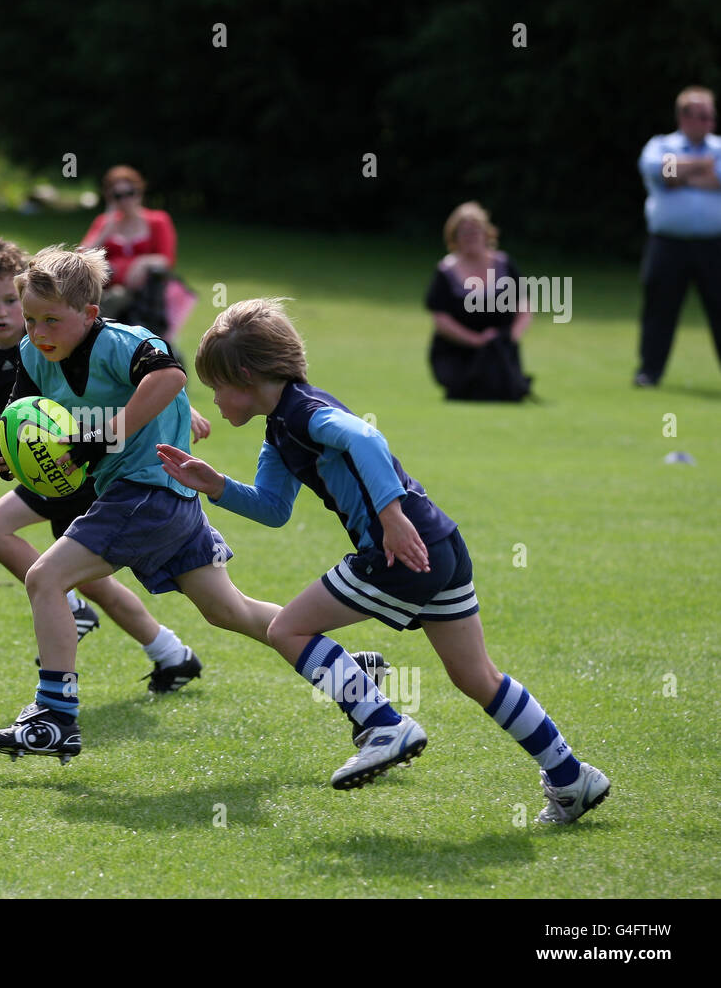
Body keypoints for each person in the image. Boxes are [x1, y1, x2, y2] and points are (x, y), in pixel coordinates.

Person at [155, 298, 610, 821]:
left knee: (286, 631)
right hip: (439, 544)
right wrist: (216, 486)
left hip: (397, 549)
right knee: (475, 675)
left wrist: (391, 517)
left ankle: (384, 724)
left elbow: (365, 436)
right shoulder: (281, 429)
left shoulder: (304, 412)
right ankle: (571, 776)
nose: (212, 400)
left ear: (244, 374)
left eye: (215, 387)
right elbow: (274, 508)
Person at [0, 248, 383, 765]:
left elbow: (170, 377)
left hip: (146, 492)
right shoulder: (38, 355)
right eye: (30, 319)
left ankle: (55, 716)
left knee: (45, 578)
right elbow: (20, 412)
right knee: (228, 611)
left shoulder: (123, 343)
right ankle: (346, 672)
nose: (37, 331)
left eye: (52, 320)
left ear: (90, 315)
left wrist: (108, 434)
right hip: (165, 501)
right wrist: (6, 449)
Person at [0, 238, 204, 684]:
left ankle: (102, 654)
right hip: (50, 468)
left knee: (45, 561)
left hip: (86, 468)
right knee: (61, 567)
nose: (6, 314)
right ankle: (166, 650)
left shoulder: (72, 341)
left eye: (13, 303)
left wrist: (180, 408)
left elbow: (146, 379)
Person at [635, 85, 721, 387]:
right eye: (703, 116)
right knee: (660, 309)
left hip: (714, 246)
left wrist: (681, 176)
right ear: (684, 117)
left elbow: (676, 176)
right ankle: (650, 371)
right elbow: (659, 171)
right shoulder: (661, 145)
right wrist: (702, 169)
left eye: (711, 116)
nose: (710, 122)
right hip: (668, 244)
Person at [424, 202, 532, 401]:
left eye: (475, 232)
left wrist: (509, 338)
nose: (470, 237)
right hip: (456, 353)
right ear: (454, 237)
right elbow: (441, 318)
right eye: (464, 233)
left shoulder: (504, 264)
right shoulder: (446, 271)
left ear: (486, 234)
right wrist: (476, 340)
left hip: (500, 351)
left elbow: (523, 306)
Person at [79, 166, 195, 343]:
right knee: (111, 297)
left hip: (145, 291)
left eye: (130, 193)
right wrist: (105, 230)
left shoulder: (157, 221)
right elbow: (80, 257)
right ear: (110, 198)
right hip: (109, 285)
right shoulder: (105, 223)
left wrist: (143, 261)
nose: (125, 200)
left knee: (120, 298)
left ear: (139, 193)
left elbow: (167, 259)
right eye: (118, 196)